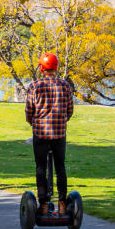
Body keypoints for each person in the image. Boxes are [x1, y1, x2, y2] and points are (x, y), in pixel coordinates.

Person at [25, 52, 75, 215]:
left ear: (41, 68)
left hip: (40, 133)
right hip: (59, 134)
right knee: (60, 168)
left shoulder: (34, 86)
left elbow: (29, 111)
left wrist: (33, 122)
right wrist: (61, 121)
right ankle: (62, 203)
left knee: (41, 168)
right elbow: (69, 110)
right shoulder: (65, 85)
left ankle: (44, 204)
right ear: (56, 67)